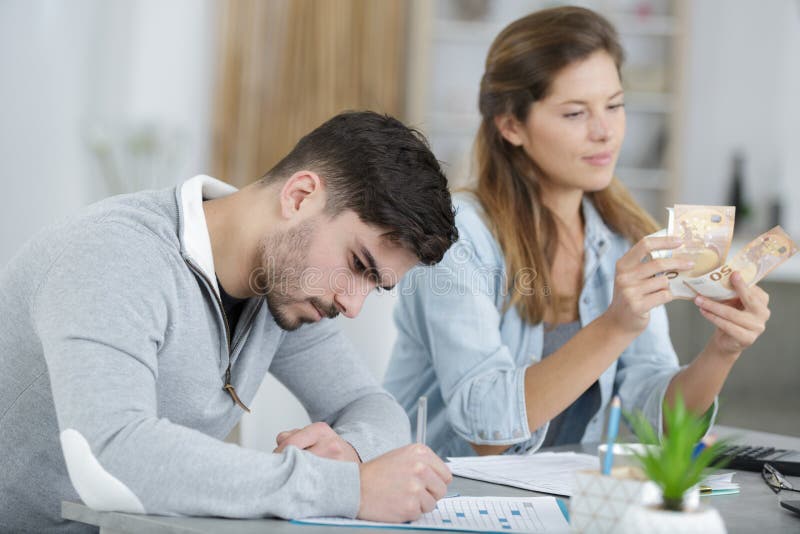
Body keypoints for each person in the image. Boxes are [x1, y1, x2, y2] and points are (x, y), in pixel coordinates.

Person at [0, 111, 457, 532]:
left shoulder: (282, 286)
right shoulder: (115, 256)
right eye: (359, 264)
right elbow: (112, 454)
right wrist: (347, 488)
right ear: (300, 197)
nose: (353, 304)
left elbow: (369, 404)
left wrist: (351, 454)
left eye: (375, 285)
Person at [384, 7, 772, 459]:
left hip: (553, 507)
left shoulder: (622, 236)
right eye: (574, 113)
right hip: (436, 501)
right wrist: (615, 326)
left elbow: (664, 422)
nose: (604, 132)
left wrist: (723, 351)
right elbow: (488, 432)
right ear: (511, 125)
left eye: (614, 105)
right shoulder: (459, 237)